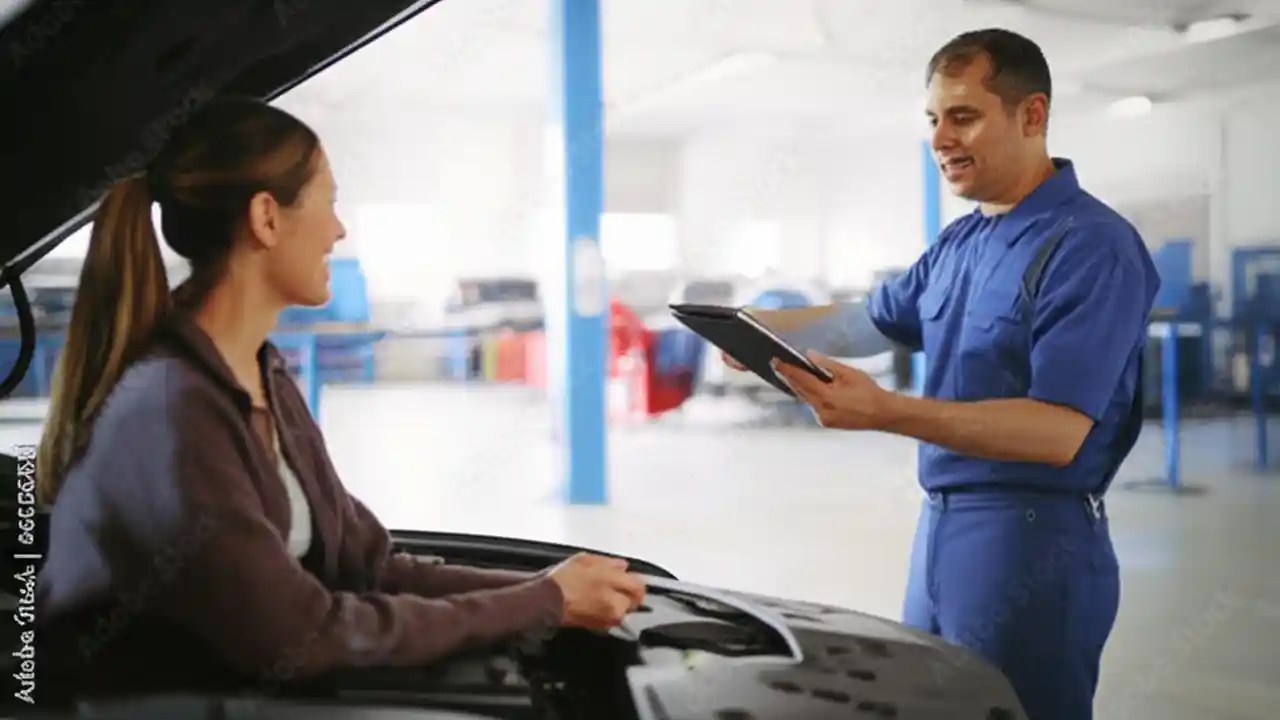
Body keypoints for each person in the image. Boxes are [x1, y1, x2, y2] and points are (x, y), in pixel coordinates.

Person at [33, 97, 646, 697]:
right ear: (266, 218)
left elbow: (367, 564)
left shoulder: (261, 374)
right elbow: (301, 634)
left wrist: (548, 588)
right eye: (328, 201)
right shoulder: (172, 410)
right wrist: (543, 602)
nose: (338, 229)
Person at [726, 29, 1158, 720]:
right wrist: (763, 328)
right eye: (932, 119)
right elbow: (874, 319)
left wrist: (887, 411)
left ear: (1033, 115)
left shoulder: (1092, 246)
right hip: (942, 530)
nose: (940, 139)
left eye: (963, 116)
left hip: (1031, 540)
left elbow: (1057, 432)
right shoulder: (962, 241)